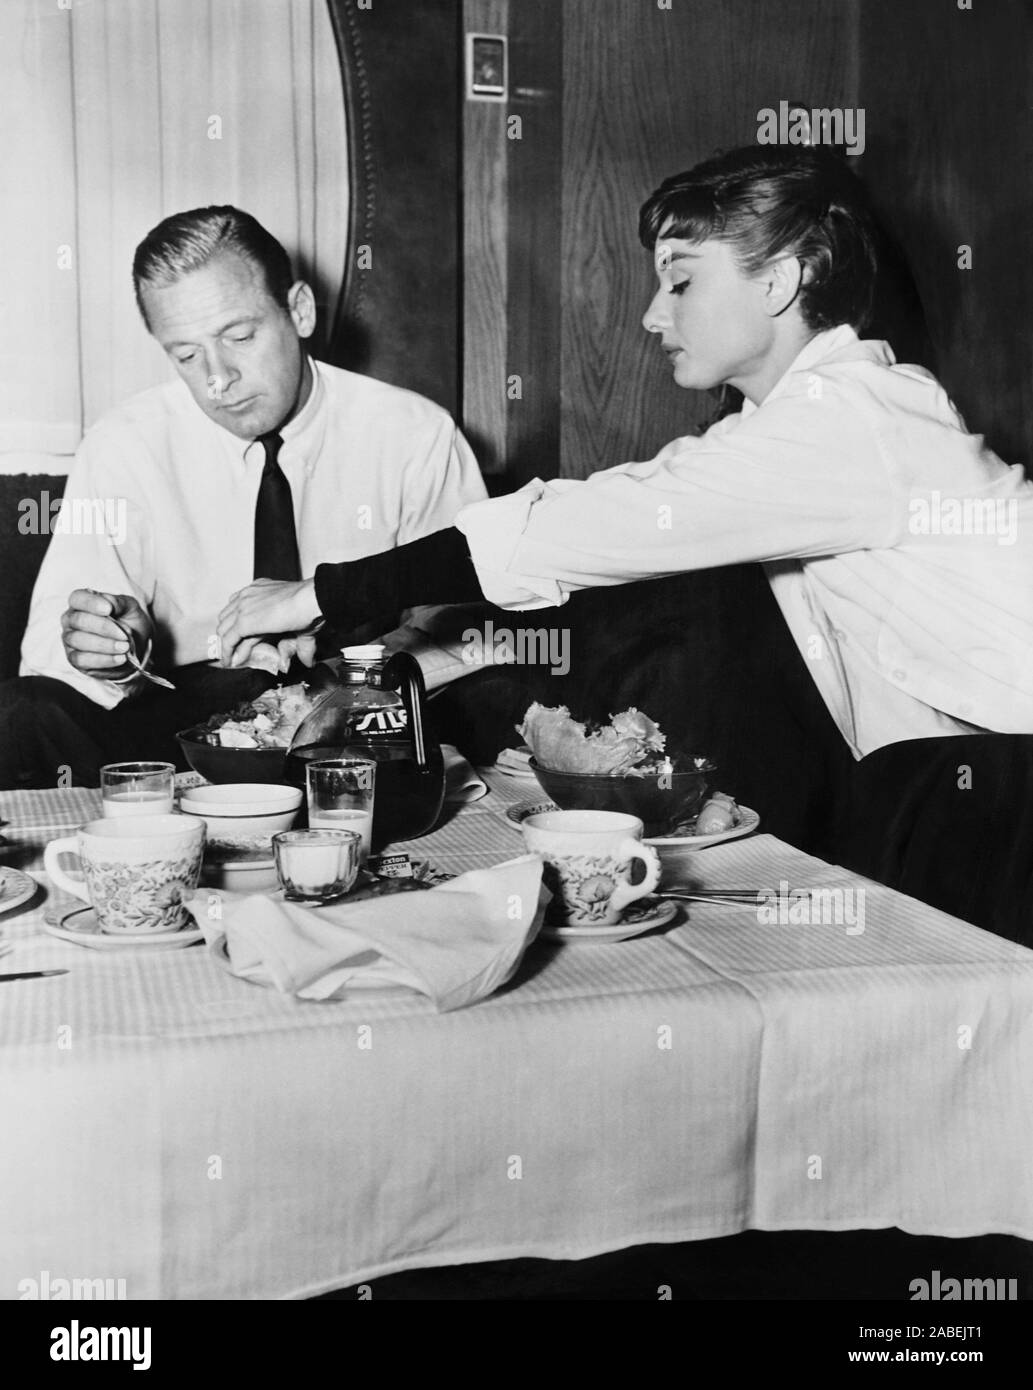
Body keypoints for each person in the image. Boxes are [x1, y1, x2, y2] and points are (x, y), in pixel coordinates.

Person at [215, 147, 1033, 941]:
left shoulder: (845, 425)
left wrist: (317, 593)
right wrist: (452, 654)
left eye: (681, 280)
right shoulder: (796, 428)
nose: (651, 314)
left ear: (779, 281)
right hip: (955, 781)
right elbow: (633, 567)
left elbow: (579, 526)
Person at [1, 206, 486, 788]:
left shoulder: (414, 433)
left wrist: (333, 681)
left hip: (359, 713)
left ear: (300, 310)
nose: (217, 378)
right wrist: (116, 650)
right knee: (24, 713)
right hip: (184, 721)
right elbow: (54, 665)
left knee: (492, 693)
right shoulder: (121, 445)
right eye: (186, 354)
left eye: (240, 336)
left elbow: (465, 626)